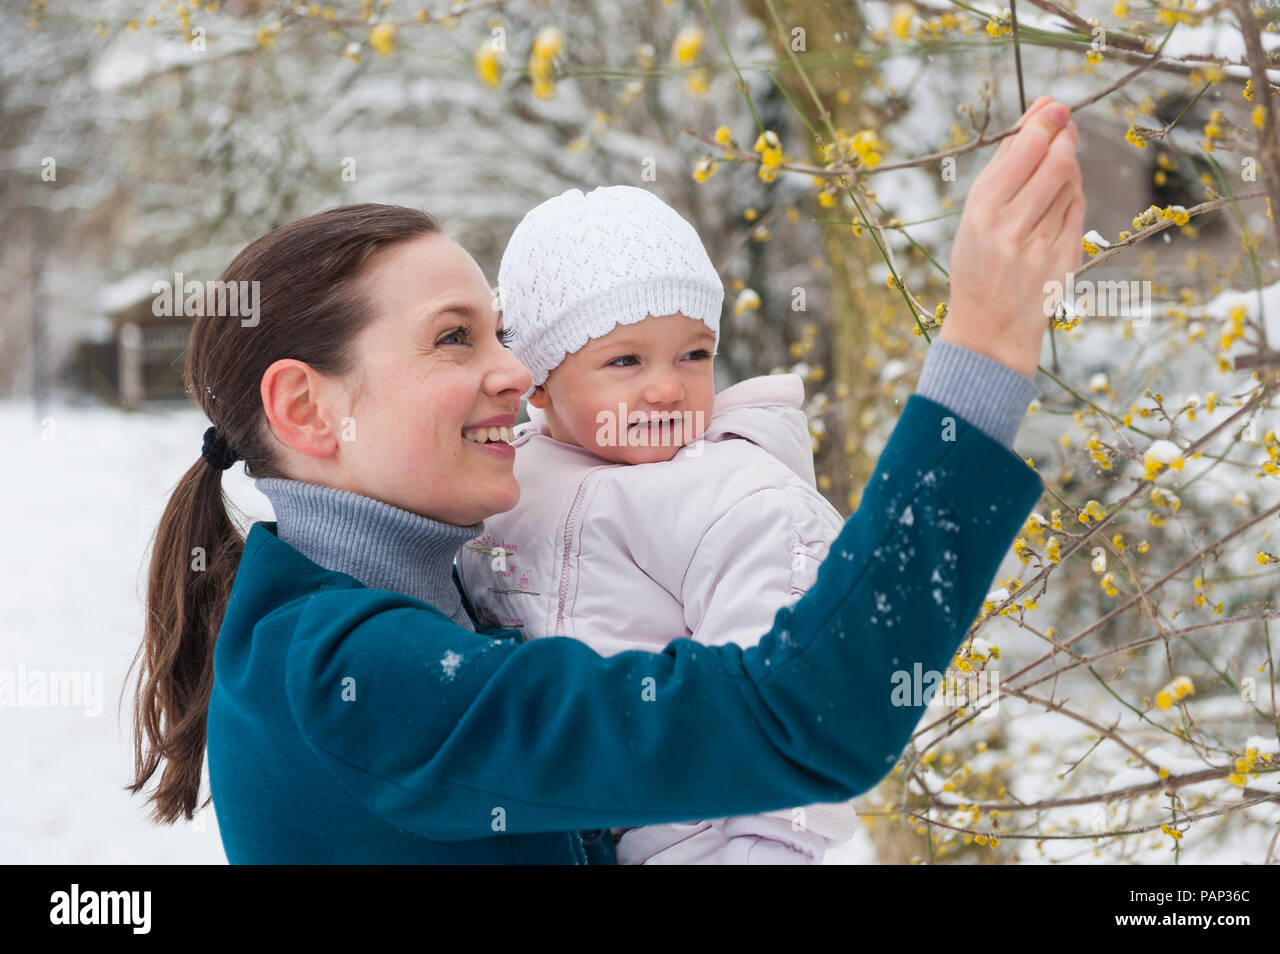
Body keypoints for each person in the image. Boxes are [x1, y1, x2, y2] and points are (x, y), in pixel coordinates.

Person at [127, 95, 1083, 864]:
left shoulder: (400, 610)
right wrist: (985, 353)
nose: (513, 370)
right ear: (304, 409)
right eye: (455, 336)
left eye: (501, 330)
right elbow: (806, 715)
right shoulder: (351, 676)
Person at [457, 184, 859, 864]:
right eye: (626, 360)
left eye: (693, 354)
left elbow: (792, 713)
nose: (670, 387)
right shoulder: (499, 483)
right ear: (539, 382)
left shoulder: (737, 502)